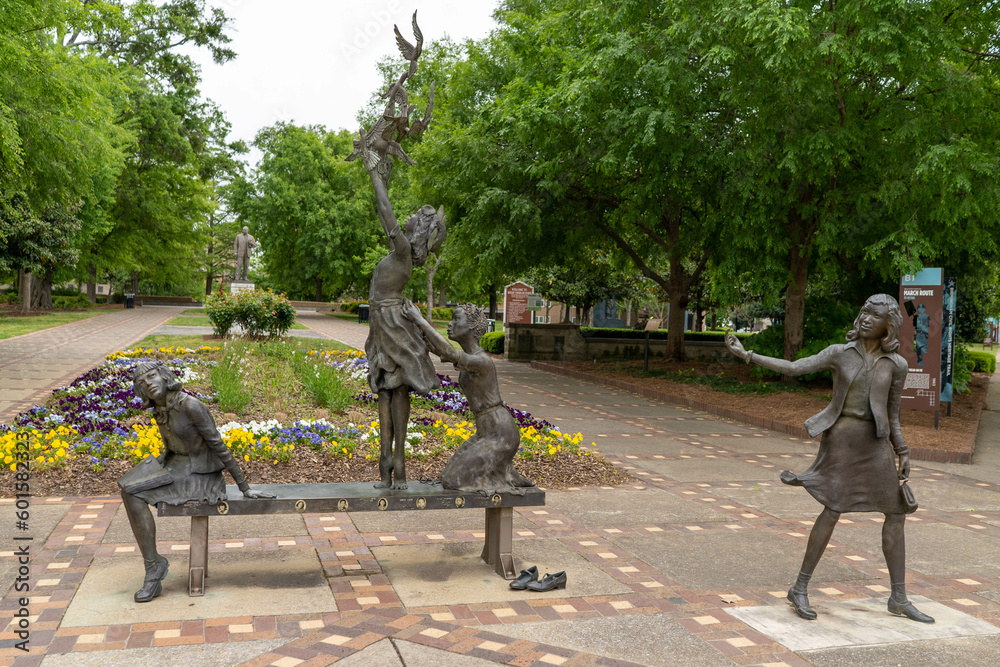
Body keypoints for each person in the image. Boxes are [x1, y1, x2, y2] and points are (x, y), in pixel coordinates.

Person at [725, 294, 933, 623]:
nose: (865, 318)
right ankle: (800, 588)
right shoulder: (840, 353)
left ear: (888, 326)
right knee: (833, 509)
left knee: (896, 512)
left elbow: (893, 416)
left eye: (875, 316)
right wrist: (747, 355)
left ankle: (899, 597)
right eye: (864, 311)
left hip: (875, 445)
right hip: (841, 441)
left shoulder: (897, 365)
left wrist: (903, 451)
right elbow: (795, 367)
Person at [118, 360, 273, 602]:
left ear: (165, 377)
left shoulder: (190, 406)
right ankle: (154, 564)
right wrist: (153, 467)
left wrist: (245, 487)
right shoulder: (160, 408)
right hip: (175, 464)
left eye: (151, 378)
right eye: (141, 384)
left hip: (199, 475)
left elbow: (218, 445)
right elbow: (173, 446)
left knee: (133, 493)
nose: (148, 385)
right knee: (127, 487)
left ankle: (153, 569)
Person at [361, 147, 445, 490]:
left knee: (396, 389)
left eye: (413, 216)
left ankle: (399, 463)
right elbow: (385, 218)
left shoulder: (404, 251)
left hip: (393, 323)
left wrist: (375, 176)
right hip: (384, 324)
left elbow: (385, 210)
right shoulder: (399, 253)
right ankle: (386, 463)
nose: (405, 217)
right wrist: (382, 173)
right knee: (384, 388)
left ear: (417, 230)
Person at [402, 302, 534, 493]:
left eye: (456, 319)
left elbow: (447, 352)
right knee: (448, 476)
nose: (450, 324)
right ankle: (499, 473)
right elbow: (438, 348)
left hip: (501, 433)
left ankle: (501, 478)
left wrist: (420, 320)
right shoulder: (470, 357)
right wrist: (414, 325)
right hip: (486, 431)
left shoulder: (482, 361)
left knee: (452, 480)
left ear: (471, 326)